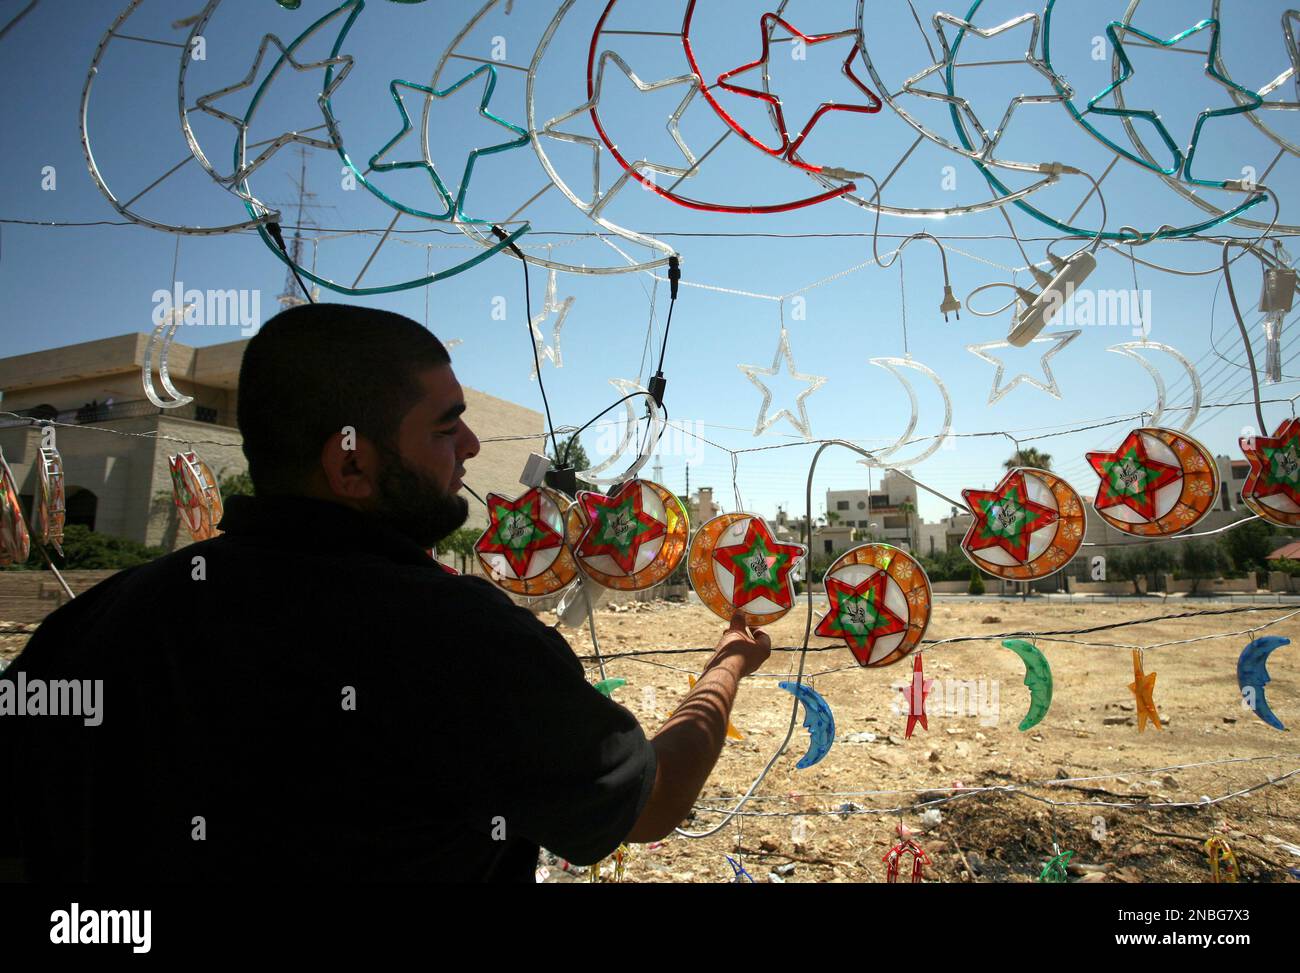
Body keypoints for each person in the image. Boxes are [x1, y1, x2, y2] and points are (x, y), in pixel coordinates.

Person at [0, 304, 771, 882]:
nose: (472, 446)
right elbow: (651, 800)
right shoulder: (458, 641)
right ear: (351, 464)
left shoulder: (90, 625)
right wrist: (727, 665)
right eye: (445, 427)